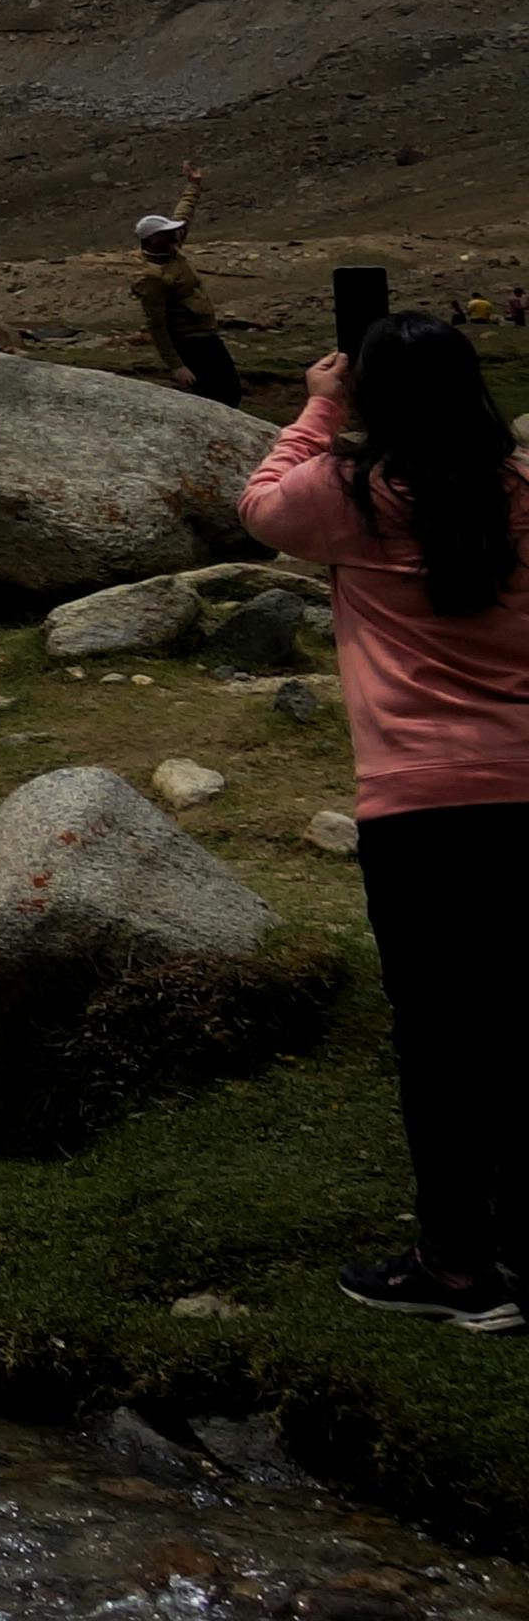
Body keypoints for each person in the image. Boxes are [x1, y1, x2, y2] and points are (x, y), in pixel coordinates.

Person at [245, 312, 529, 1329]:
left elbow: (261, 506)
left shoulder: (354, 493)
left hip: (421, 806)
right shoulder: (520, 487)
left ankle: (455, 1268)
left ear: (374, 395)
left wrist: (321, 405)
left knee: (441, 1036)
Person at [134, 165, 243, 406]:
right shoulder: (152, 277)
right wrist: (177, 366)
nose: (175, 234)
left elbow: (183, 216)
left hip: (207, 336)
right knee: (217, 397)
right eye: (167, 233)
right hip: (189, 343)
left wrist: (194, 185)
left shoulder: (172, 250)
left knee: (230, 393)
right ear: (152, 240)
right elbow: (156, 326)